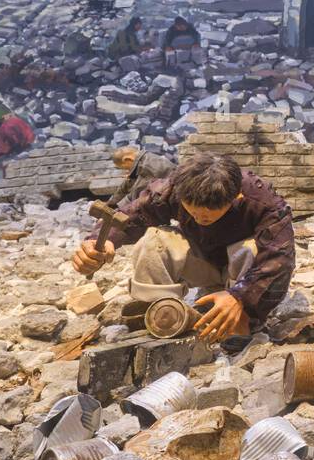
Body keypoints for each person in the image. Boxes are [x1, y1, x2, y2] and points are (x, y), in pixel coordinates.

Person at [70, 152, 295, 346]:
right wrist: (102, 241)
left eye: (208, 213)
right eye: (193, 211)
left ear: (235, 197)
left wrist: (240, 296)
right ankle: (162, 314)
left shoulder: (262, 200)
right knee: (154, 239)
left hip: (242, 273)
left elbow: (279, 257)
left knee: (250, 248)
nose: (199, 217)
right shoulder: (174, 188)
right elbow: (131, 215)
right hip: (203, 261)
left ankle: (239, 322)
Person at [110, 145, 176, 204]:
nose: (127, 171)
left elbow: (136, 196)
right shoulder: (144, 158)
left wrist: (118, 208)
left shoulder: (147, 168)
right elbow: (127, 184)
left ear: (128, 159)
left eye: (126, 168)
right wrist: (111, 202)